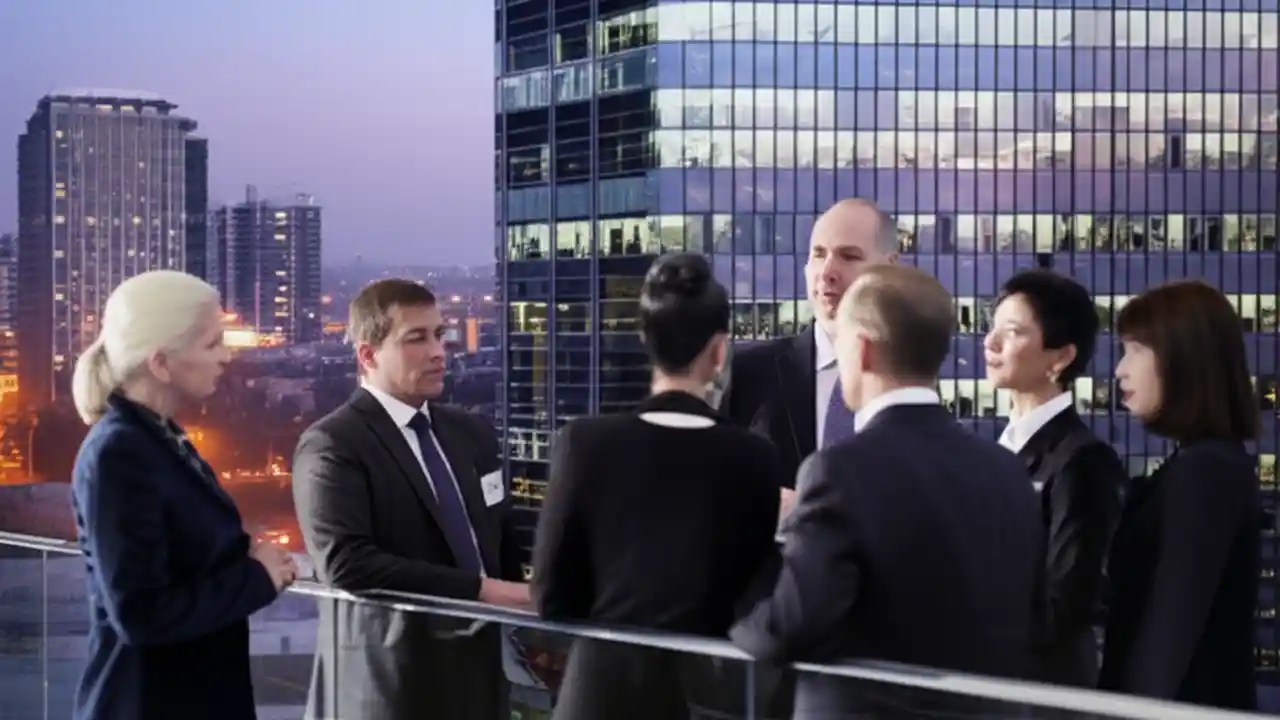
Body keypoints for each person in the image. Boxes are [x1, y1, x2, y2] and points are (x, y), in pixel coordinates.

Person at [731, 265, 1044, 717]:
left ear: (861, 349)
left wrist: (735, 621)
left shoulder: (837, 471)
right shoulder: (1006, 471)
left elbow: (790, 625)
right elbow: (1035, 623)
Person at [532, 253, 781, 720]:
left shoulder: (584, 443)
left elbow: (550, 597)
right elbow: (754, 600)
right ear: (719, 351)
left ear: (645, 339)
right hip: (708, 698)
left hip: (599, 694)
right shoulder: (755, 457)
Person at [292, 279, 529, 720]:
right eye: (416, 338)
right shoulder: (333, 443)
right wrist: (483, 591)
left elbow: (500, 536)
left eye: (440, 334)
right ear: (367, 355)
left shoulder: (469, 433)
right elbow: (346, 563)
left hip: (480, 678)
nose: (439, 351)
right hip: (387, 687)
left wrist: (535, 631)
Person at [69, 271, 297, 720]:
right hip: (150, 703)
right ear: (161, 363)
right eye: (211, 344)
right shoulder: (121, 453)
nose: (226, 356)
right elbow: (140, 614)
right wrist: (256, 578)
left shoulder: (157, 437)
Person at [1101, 280, 1260, 709]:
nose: (1120, 369)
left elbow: (1169, 631)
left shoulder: (1205, 471)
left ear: (1183, 358)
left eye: (1135, 349)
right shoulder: (1204, 465)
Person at [984, 270, 1124, 686]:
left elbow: (1067, 602)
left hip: (1041, 689)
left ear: (1060, 357)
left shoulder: (1084, 461)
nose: (990, 343)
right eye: (993, 329)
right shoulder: (998, 451)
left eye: (1012, 333)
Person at [722, 198, 900, 486]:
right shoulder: (748, 373)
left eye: (849, 256)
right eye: (818, 254)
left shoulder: (908, 375)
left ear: (890, 267)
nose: (827, 272)